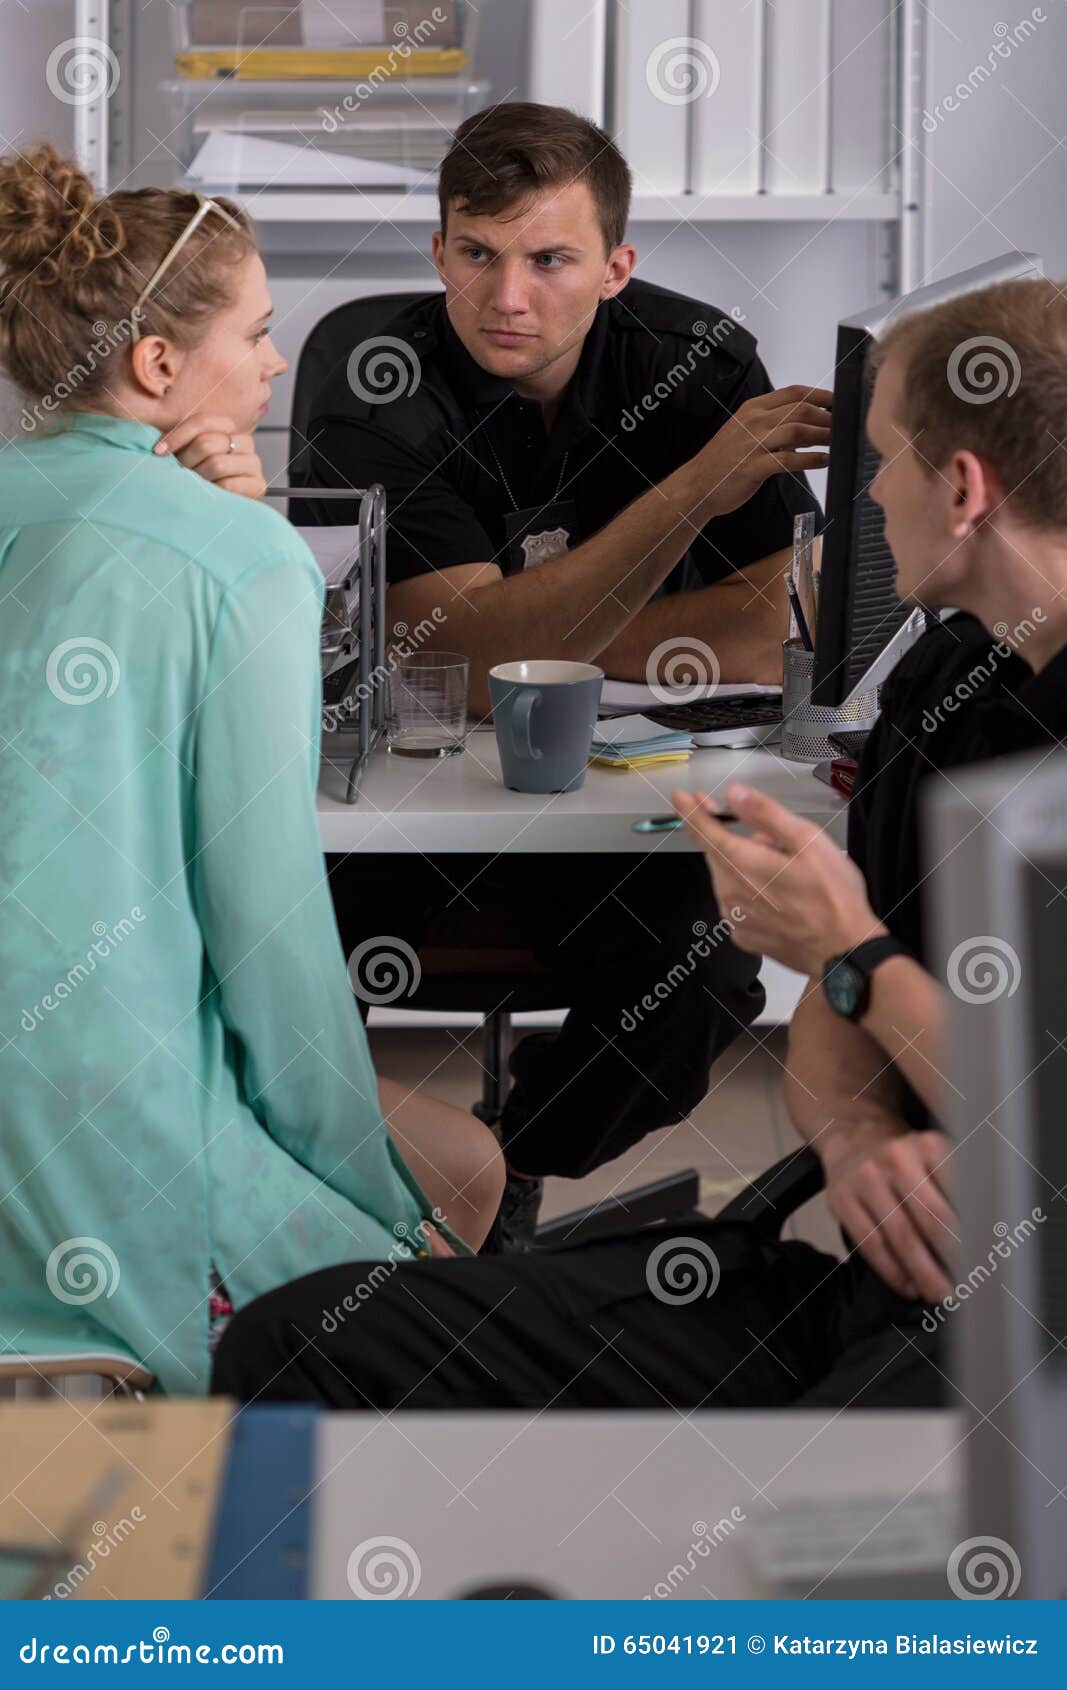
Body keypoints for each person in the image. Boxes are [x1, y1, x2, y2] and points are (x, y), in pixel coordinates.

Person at [214, 273, 1067, 1410]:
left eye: (883, 464)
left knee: (815, 1527)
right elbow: (831, 1015)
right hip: (859, 1286)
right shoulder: (945, 680)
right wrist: (859, 1131)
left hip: (1021, 1328)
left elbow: (1020, 1105)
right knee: (297, 1343)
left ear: (959, 488)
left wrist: (848, 950)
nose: (864, 501)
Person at [0, 144, 502, 1397]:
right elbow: (268, 936)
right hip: (99, 1107)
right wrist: (350, 1176)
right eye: (259, 332)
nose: (277, 364)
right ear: (160, 365)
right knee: (436, 1235)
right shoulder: (243, 559)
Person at [306, 103, 833, 1244]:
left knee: (696, 984)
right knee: (261, 954)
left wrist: (520, 631)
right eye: (478, 254)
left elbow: (768, 629)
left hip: (602, 825)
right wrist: (693, 492)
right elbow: (452, 663)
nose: (508, 298)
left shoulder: (693, 357)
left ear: (615, 266)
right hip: (403, 826)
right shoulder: (372, 366)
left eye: (550, 259)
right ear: (437, 248)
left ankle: (501, 1175)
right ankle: (339, 1209)